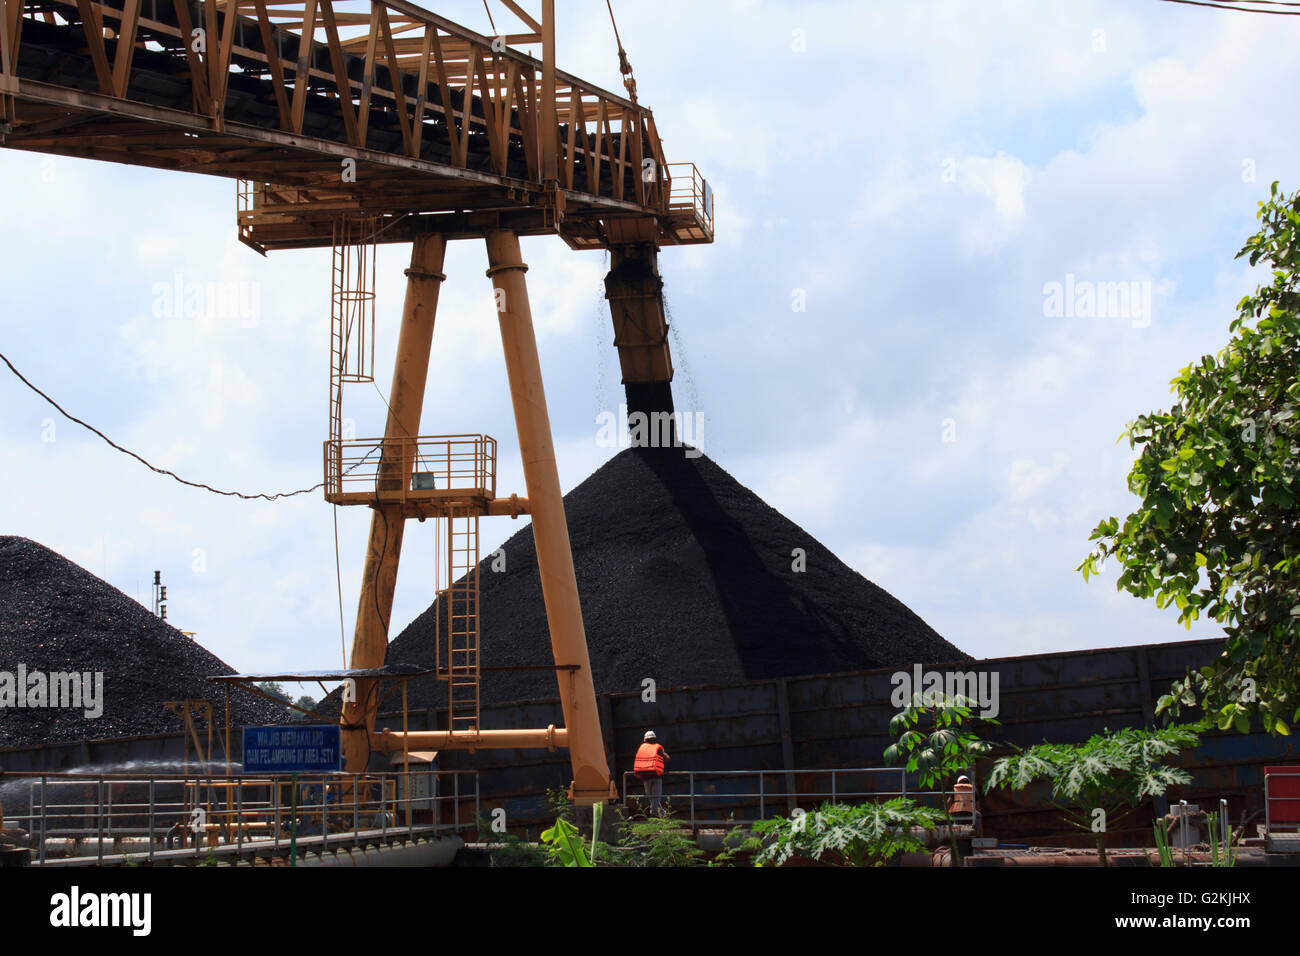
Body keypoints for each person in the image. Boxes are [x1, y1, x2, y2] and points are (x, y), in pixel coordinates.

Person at [633, 731, 670, 816]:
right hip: (656, 776)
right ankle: (657, 814)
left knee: (652, 799)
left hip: (645, 778)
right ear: (654, 739)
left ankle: (658, 815)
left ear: (645, 740)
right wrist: (659, 763)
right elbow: (667, 757)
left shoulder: (642, 748)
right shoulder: (657, 748)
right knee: (655, 799)